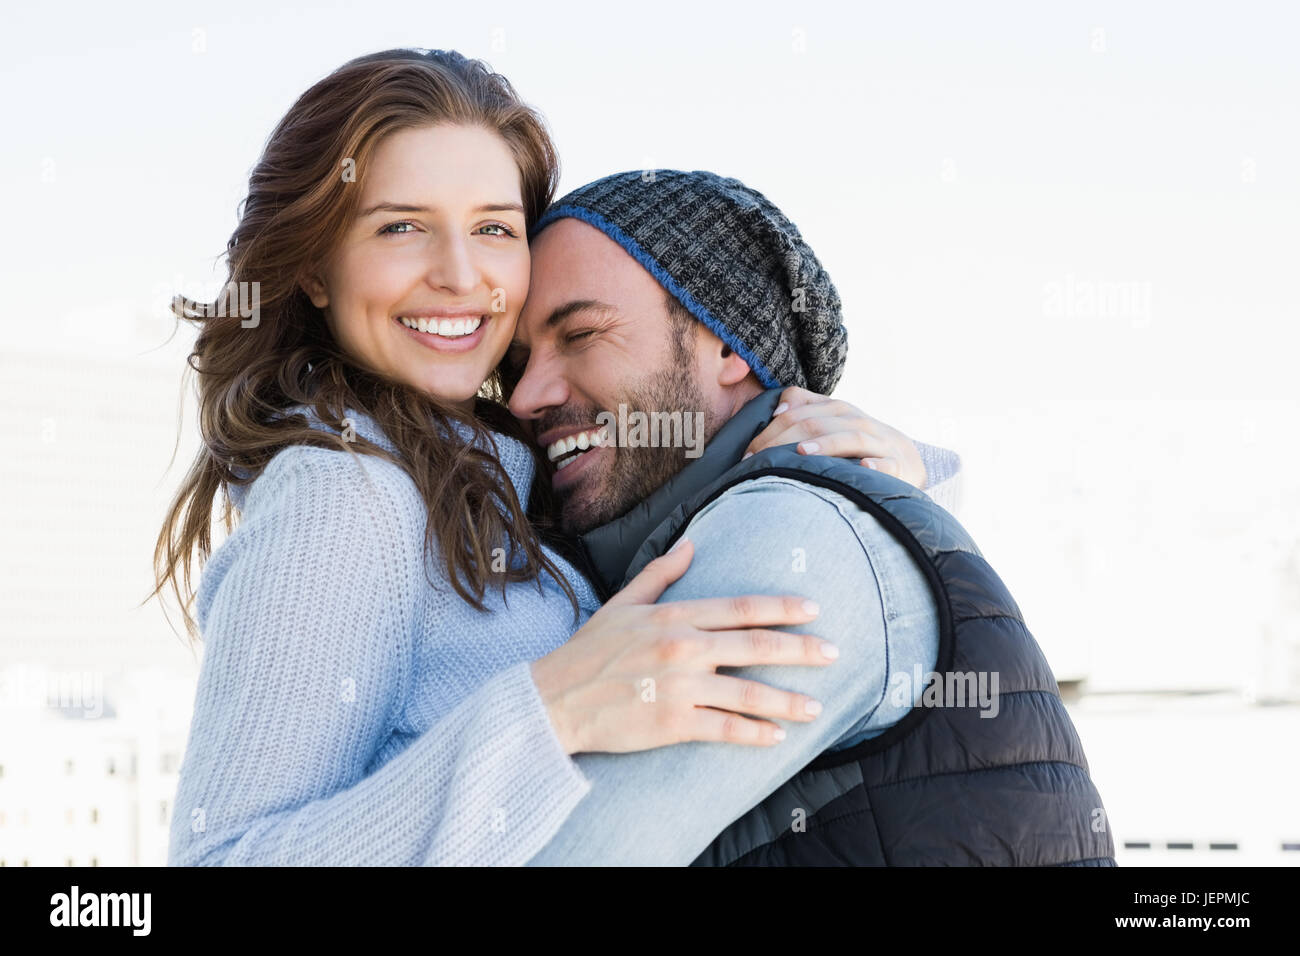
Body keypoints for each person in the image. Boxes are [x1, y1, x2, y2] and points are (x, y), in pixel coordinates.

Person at [157, 48, 943, 866]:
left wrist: (897, 470)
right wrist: (548, 710)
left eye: (493, 228)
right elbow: (223, 859)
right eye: (401, 226)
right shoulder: (344, 490)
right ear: (317, 269)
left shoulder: (502, 473)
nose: (461, 277)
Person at [506, 170, 1117, 866]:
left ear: (729, 343)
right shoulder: (746, 529)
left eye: (581, 333)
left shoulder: (788, 534)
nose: (527, 395)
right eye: (518, 363)